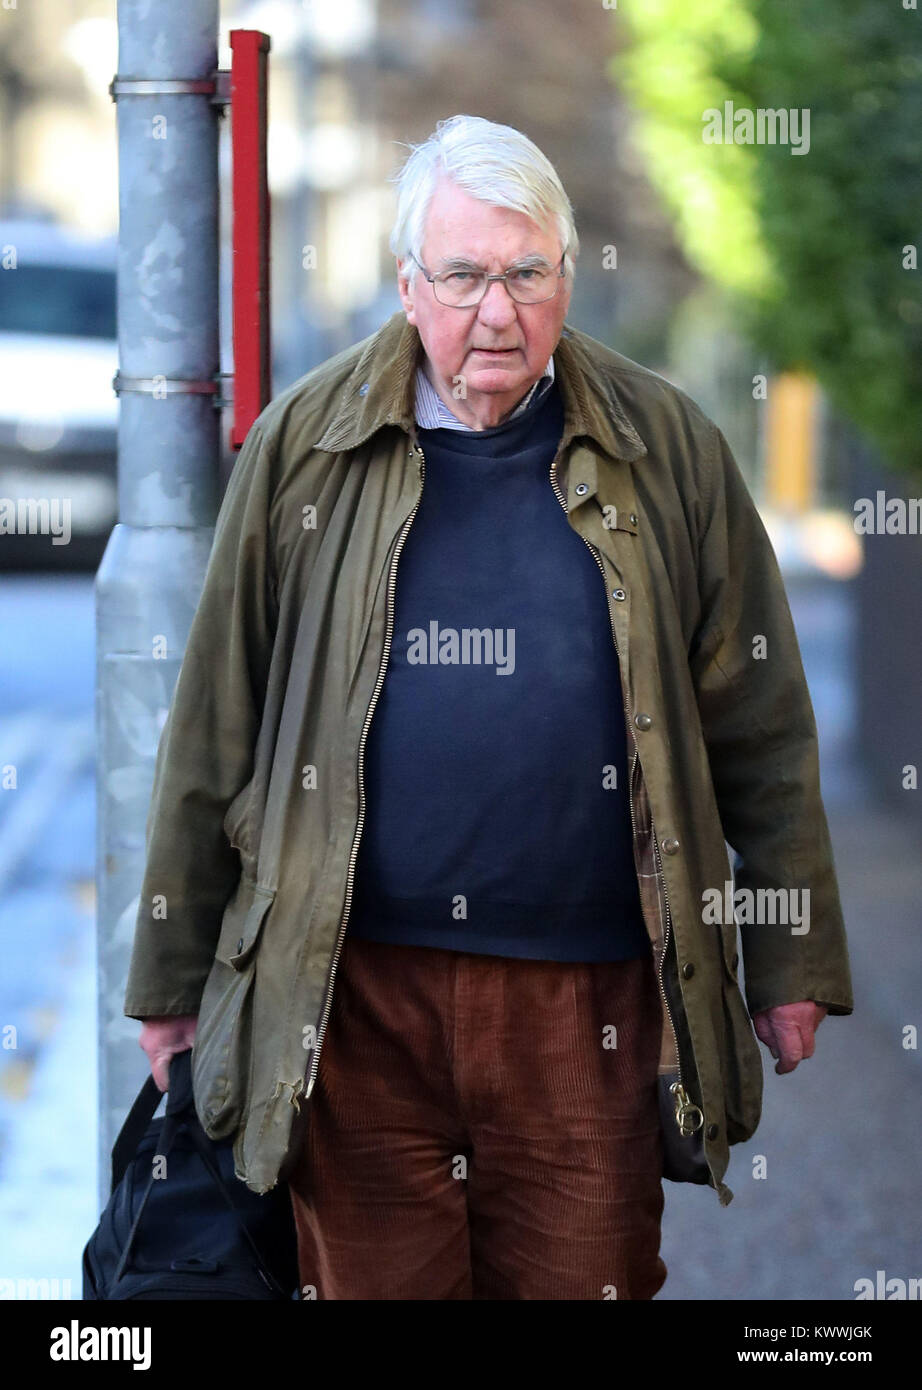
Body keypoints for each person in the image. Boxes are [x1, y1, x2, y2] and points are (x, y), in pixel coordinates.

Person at [125, 114, 853, 1300]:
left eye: (526, 274)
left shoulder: (666, 446)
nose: (497, 312)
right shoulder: (308, 444)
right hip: (351, 999)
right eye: (463, 276)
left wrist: (790, 955)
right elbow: (218, 715)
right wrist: (169, 977)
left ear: (567, 277)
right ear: (408, 284)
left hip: (590, 1008)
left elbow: (759, 718)